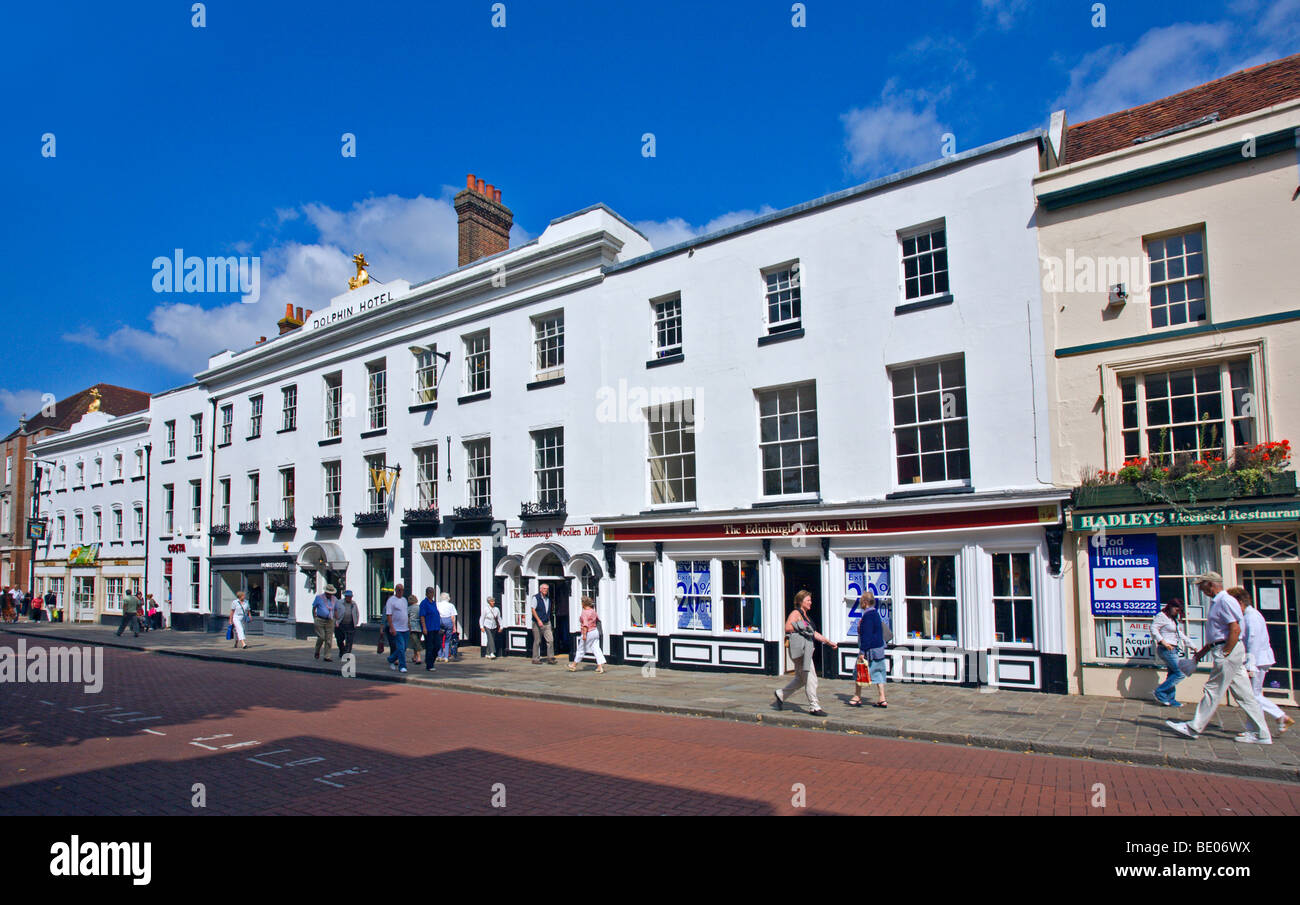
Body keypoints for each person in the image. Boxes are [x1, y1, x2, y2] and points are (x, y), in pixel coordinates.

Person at [1166, 572, 1273, 744]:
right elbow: (1219, 633)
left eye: (1202, 585)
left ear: (1210, 584)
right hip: (1226, 648)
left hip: (1227, 650)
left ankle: (1194, 727)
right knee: (1245, 695)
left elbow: (1235, 629)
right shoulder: (1220, 602)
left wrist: (1225, 653)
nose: (1200, 589)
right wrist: (1201, 654)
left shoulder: (1224, 600)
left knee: (1213, 689)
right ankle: (1262, 734)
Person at [1230, 586, 1296, 735]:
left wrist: (1250, 663)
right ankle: (1259, 726)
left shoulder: (1250, 616)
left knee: (1251, 697)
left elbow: (1253, 640)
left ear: (1240, 602)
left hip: (1257, 660)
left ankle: (1265, 723)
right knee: (1254, 695)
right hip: (1260, 659)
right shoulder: (1252, 615)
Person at [774, 590, 837, 716]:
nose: (810, 602)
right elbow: (787, 627)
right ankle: (814, 706)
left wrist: (828, 642)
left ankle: (781, 694)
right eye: (808, 600)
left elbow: (813, 633)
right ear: (801, 601)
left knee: (801, 679)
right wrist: (801, 625)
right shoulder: (796, 613)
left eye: (810, 600)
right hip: (800, 651)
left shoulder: (805, 615)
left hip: (806, 650)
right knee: (811, 677)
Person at [848, 590, 888, 708]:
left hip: (869, 650)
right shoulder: (875, 614)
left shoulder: (868, 616)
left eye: (861, 600)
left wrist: (862, 652)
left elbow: (867, 635)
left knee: (859, 671)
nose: (860, 603)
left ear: (865, 602)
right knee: (879, 673)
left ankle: (857, 696)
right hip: (879, 649)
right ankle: (882, 698)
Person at [1150, 599, 1193, 707]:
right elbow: (1153, 628)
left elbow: (1179, 634)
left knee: (1172, 674)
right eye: (1176, 609)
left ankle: (1170, 700)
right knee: (1180, 672)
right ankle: (1159, 692)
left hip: (1173, 648)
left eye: (1179, 611)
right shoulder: (1162, 616)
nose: (1177, 612)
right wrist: (1163, 642)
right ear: (1170, 606)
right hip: (1166, 649)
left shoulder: (1172, 619)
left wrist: (1192, 645)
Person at [568, 596, 606, 673]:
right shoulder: (593, 611)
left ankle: (574, 665)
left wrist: (584, 635)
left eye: (581, 602)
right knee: (596, 648)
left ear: (584, 603)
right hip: (595, 631)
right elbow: (598, 620)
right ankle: (600, 666)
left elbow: (585, 625)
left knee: (581, 649)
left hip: (588, 632)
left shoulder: (584, 612)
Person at [530, 582, 556, 665]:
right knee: (537, 641)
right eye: (544, 589)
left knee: (550, 640)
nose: (546, 590)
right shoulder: (536, 598)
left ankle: (550, 658)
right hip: (537, 623)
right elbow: (533, 609)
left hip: (547, 622)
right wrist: (538, 620)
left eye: (547, 589)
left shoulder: (548, 599)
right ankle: (535, 658)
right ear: (540, 589)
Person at [385, 583, 409, 673]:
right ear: (395, 590)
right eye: (399, 590)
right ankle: (402, 666)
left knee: (404, 647)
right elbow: (389, 615)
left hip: (405, 628)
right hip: (397, 628)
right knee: (401, 648)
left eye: (402, 590)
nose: (401, 592)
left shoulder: (404, 600)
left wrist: (409, 624)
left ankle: (391, 659)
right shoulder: (391, 600)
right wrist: (392, 627)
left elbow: (405, 613)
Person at [311, 584, 338, 661]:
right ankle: (317, 651)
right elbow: (314, 607)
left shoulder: (335, 599)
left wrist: (336, 619)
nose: (329, 595)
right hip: (320, 619)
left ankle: (327, 656)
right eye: (328, 593)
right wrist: (315, 617)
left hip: (330, 620)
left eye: (331, 593)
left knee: (329, 639)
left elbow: (335, 610)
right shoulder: (319, 598)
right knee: (321, 637)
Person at [418, 587, 441, 672]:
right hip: (429, 628)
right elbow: (422, 616)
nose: (432, 594)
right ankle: (429, 664)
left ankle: (430, 660)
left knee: (437, 645)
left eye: (433, 592)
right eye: (430, 593)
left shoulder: (434, 603)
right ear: (427, 593)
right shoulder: (424, 603)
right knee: (430, 646)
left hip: (436, 628)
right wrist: (424, 627)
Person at [333, 589, 360, 657]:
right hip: (340, 623)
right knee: (339, 639)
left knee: (349, 640)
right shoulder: (339, 602)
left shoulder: (353, 604)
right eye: (347, 596)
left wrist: (356, 622)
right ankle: (342, 650)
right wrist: (336, 621)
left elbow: (357, 613)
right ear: (345, 596)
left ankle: (347, 653)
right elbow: (335, 611)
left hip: (350, 624)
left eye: (350, 597)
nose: (349, 598)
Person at [437, 592, 459, 661]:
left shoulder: (437, 604)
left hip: (440, 621)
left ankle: (440, 656)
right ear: (448, 598)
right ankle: (446, 657)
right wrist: (454, 627)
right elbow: (453, 617)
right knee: (447, 640)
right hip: (448, 621)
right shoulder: (451, 605)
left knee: (439, 639)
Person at [406, 594, 424, 666]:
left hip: (412, 627)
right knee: (417, 641)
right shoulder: (420, 607)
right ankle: (414, 656)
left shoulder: (409, 608)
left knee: (416, 643)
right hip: (419, 627)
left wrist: (408, 626)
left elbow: (407, 618)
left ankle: (418, 658)